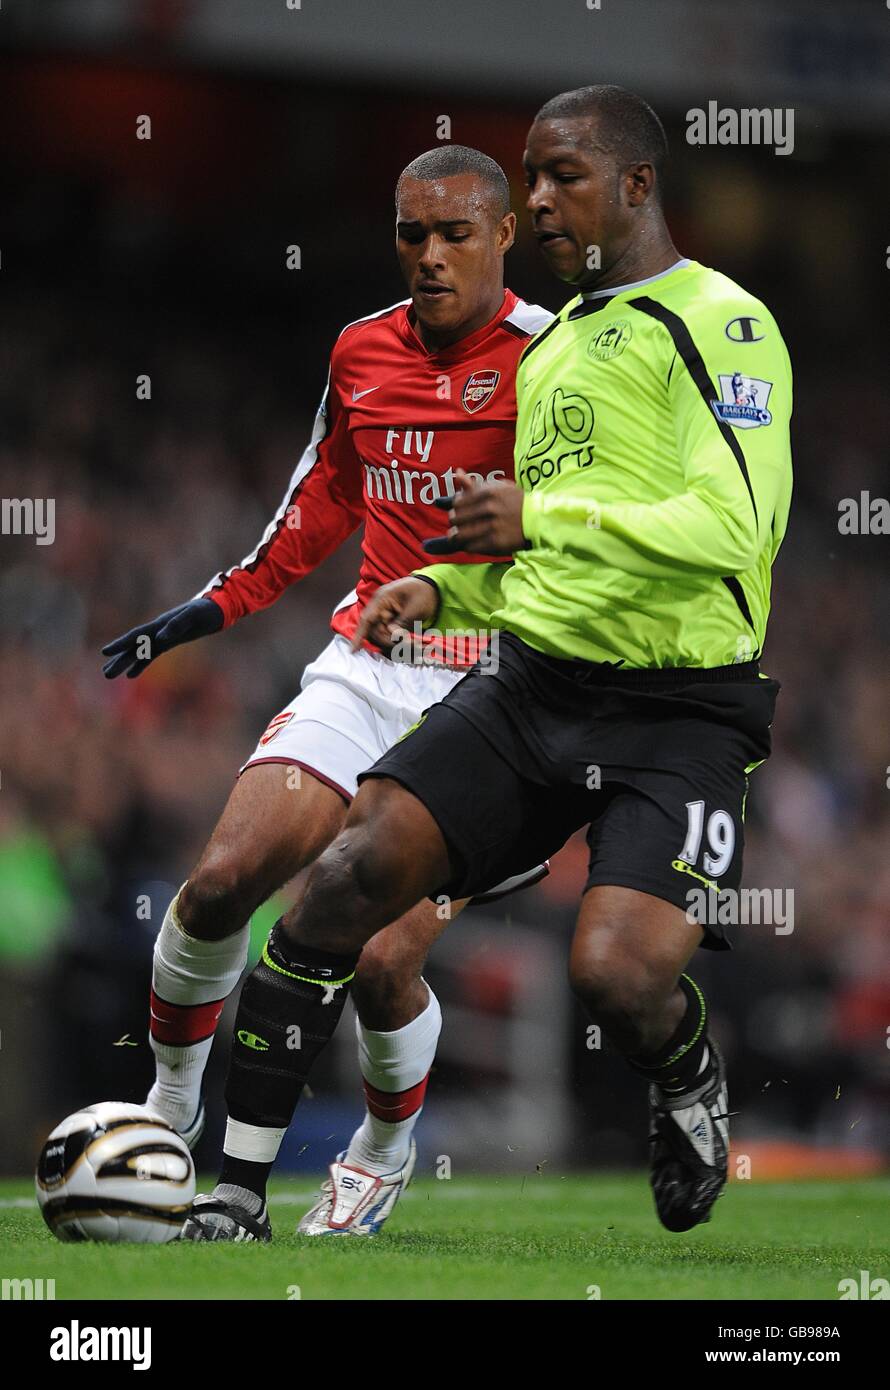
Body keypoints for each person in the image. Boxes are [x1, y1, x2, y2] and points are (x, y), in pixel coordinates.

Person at [182, 84, 793, 1242]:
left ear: (637, 185)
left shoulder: (718, 321)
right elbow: (532, 547)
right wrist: (445, 586)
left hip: (679, 712)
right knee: (337, 887)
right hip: (531, 686)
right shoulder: (556, 345)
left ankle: (683, 1069)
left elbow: (735, 529)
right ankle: (230, 1194)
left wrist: (538, 521)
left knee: (615, 973)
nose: (541, 199)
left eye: (563, 175)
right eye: (532, 174)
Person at [102, 145, 552, 1239]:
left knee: (381, 956)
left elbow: (586, 537)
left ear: (502, 236)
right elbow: (314, 509)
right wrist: (200, 612)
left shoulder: (557, 361)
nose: (429, 255)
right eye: (411, 233)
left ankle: (385, 1145)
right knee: (216, 883)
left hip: (491, 697)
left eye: (454, 233)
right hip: (367, 663)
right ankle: (168, 1108)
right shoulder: (359, 349)